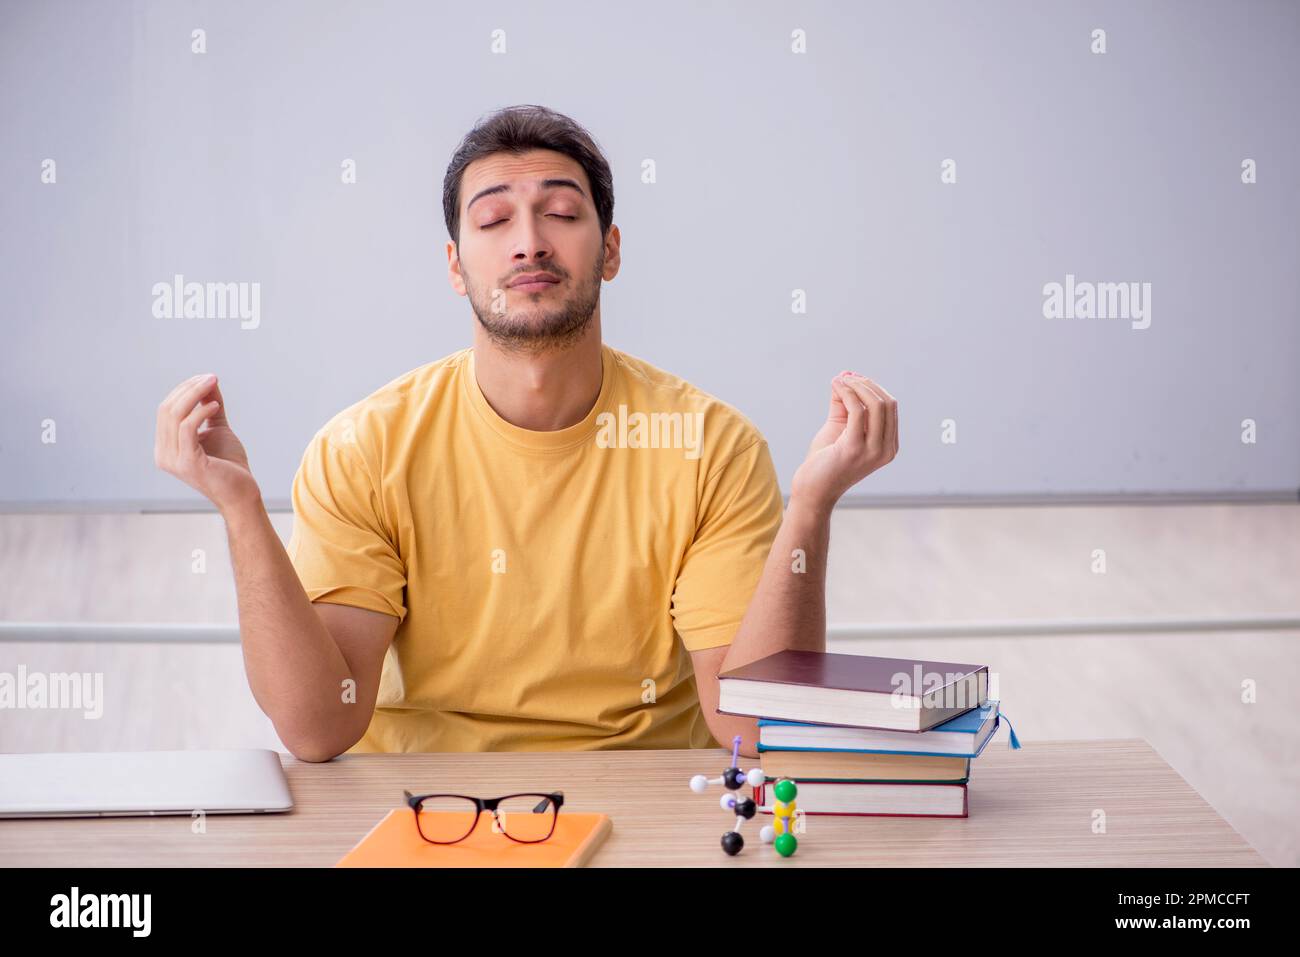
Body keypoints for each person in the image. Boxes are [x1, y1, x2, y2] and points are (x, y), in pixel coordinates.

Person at [153, 104, 898, 761]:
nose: (529, 242)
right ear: (456, 266)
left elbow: (753, 731)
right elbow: (319, 726)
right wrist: (242, 509)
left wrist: (810, 506)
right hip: (429, 811)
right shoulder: (364, 449)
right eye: (493, 219)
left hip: (645, 805)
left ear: (609, 250)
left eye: (563, 214)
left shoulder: (711, 446)